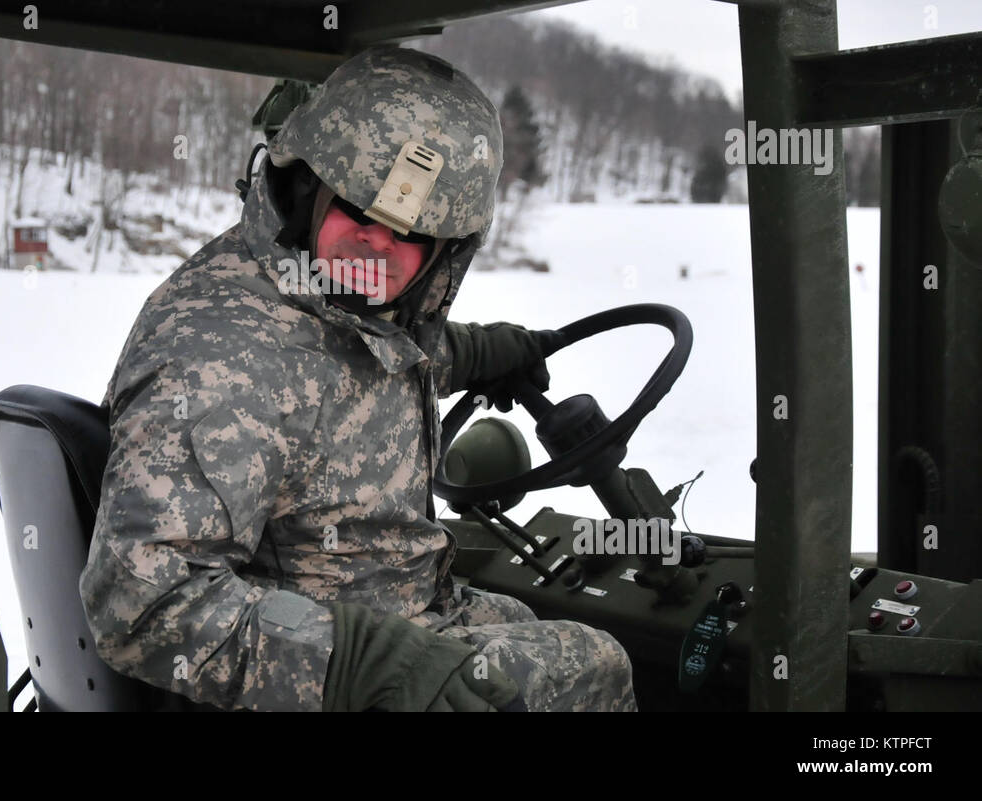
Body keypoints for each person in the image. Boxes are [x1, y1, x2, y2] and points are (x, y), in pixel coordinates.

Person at [80, 45, 636, 711]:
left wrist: (484, 352)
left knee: (520, 619)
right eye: (360, 211)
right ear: (311, 188)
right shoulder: (219, 352)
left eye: (408, 233)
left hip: (393, 605)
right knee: (598, 662)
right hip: (318, 670)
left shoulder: (317, 292)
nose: (375, 243)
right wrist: (372, 663)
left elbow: (348, 365)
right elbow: (142, 601)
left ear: (442, 256)